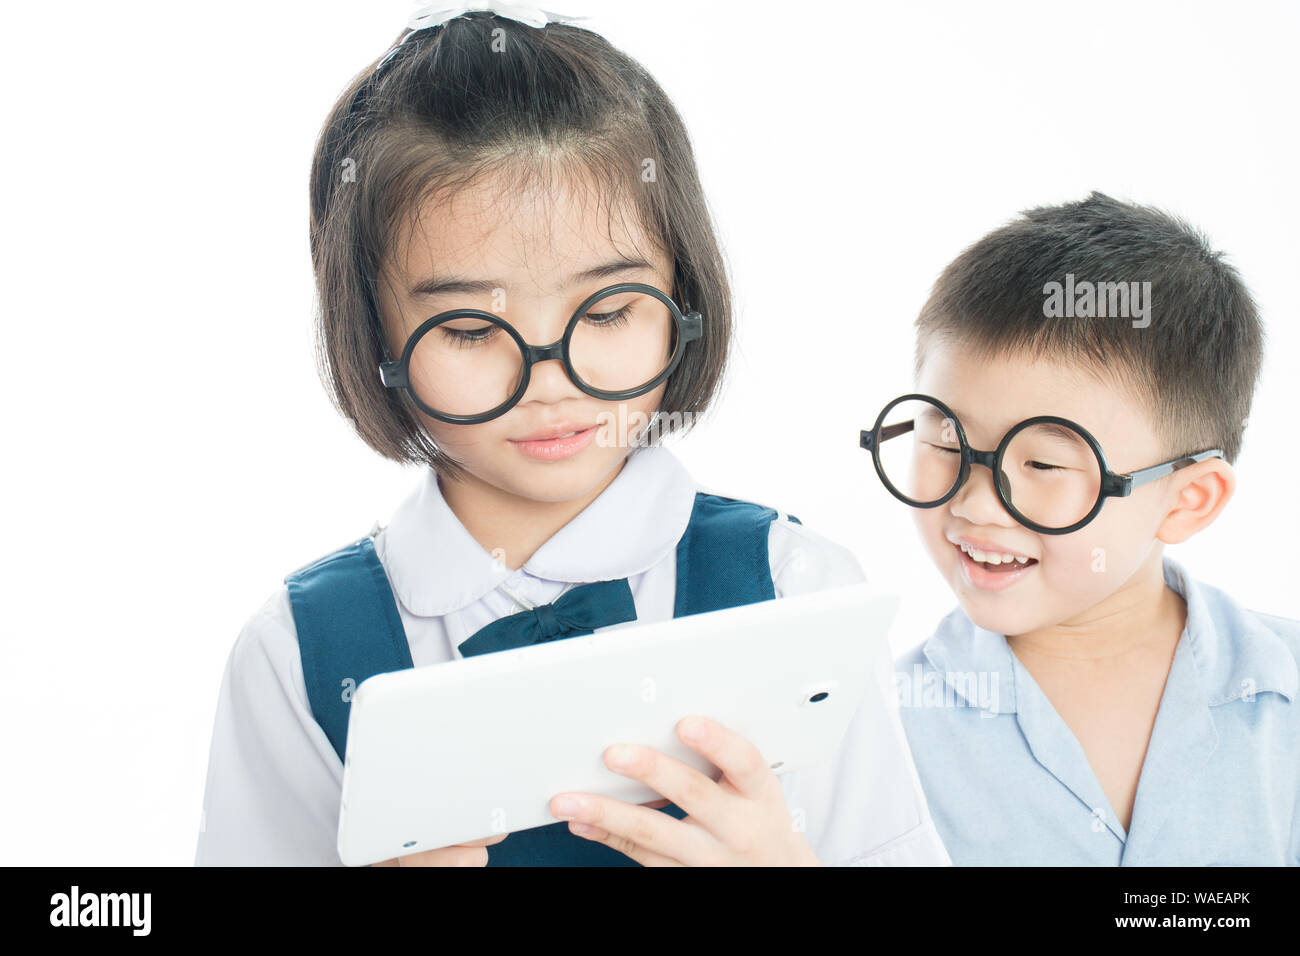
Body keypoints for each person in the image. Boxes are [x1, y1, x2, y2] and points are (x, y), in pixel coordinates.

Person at [195, 6, 948, 867]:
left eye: (610, 310)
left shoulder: (796, 588)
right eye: (472, 331)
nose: (552, 379)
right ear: (373, 334)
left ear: (683, 296)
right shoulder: (297, 651)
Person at [865, 191, 1298, 864]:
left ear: (1188, 501)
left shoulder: (1286, 695)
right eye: (946, 444)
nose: (977, 505)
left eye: (1042, 462)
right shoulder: (872, 731)